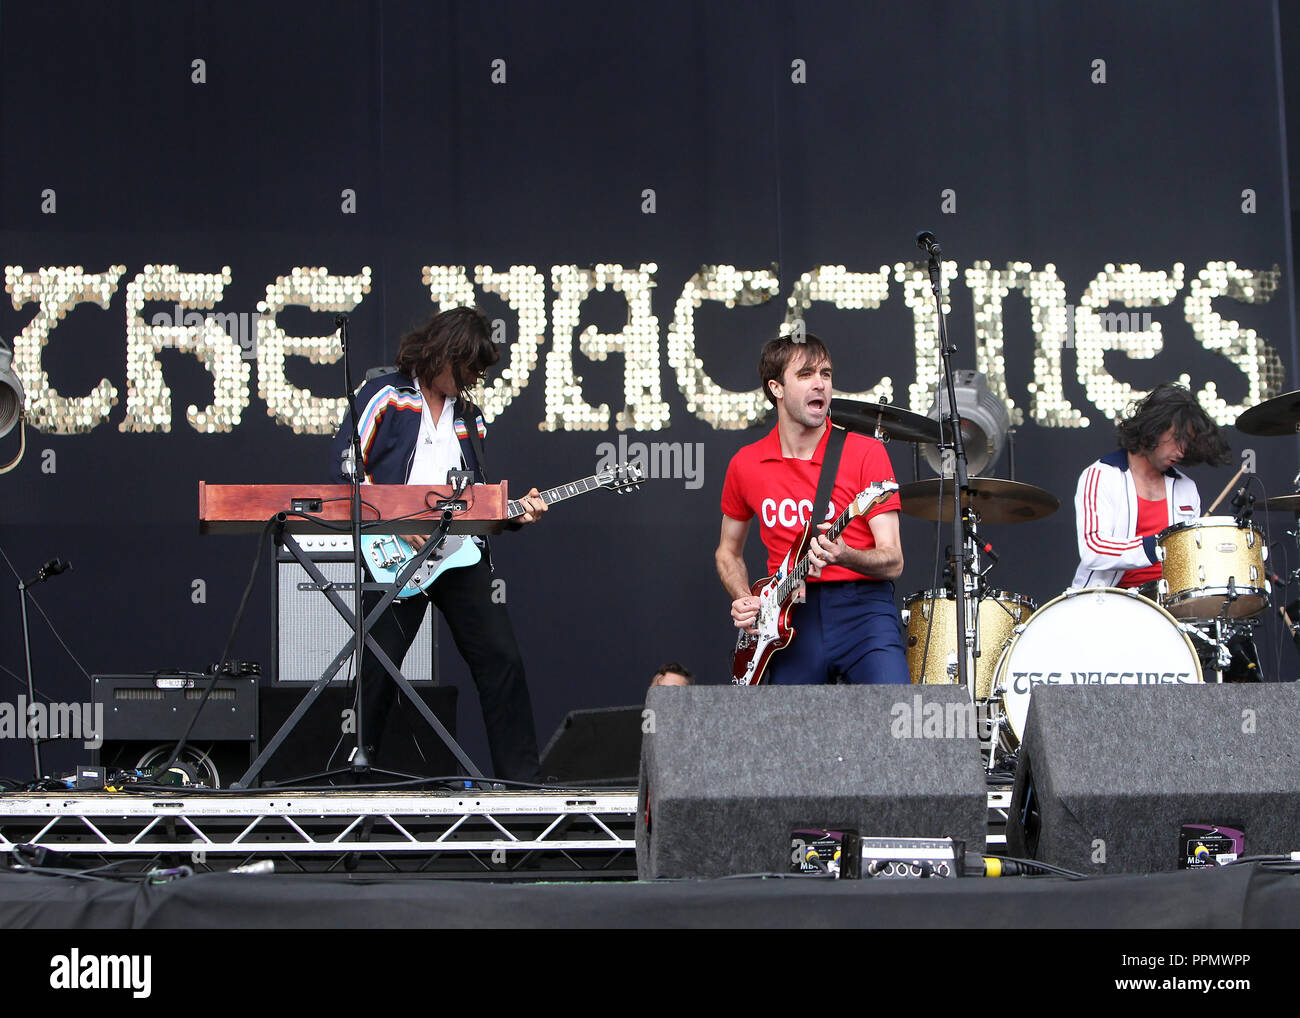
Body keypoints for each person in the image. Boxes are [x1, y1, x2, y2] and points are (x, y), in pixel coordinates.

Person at [330, 306, 547, 782]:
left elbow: (474, 499)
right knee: (378, 667)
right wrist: (390, 518)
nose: (473, 378)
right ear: (444, 353)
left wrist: (513, 514)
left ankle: (523, 782)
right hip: (393, 552)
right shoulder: (384, 395)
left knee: (500, 657)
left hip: (456, 554)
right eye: (469, 367)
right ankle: (353, 779)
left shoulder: (470, 417)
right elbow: (347, 469)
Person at [714, 333, 910, 685]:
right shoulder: (746, 464)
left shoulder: (865, 452)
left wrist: (845, 554)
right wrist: (744, 598)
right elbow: (728, 553)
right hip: (790, 617)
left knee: (893, 717)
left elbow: (893, 560)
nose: (820, 383)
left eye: (826, 374)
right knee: (790, 734)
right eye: (805, 374)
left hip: (863, 611)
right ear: (776, 387)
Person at [1072, 382, 1231, 589]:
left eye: (1187, 443)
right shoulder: (1100, 476)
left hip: (1168, 607)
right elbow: (1094, 549)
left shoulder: (1186, 488)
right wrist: (1160, 545)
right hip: (1106, 603)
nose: (1182, 451)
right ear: (1154, 428)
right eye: (1177, 439)